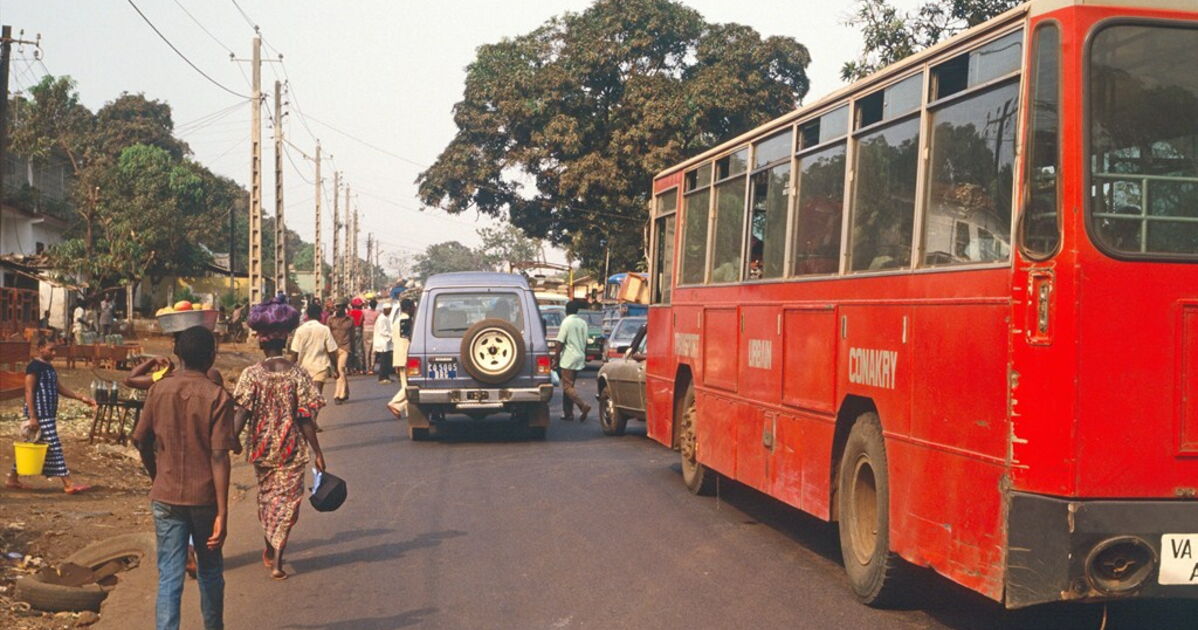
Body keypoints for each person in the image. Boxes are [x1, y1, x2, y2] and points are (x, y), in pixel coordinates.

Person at [131, 326, 235, 630]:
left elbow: (140, 440)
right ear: (211, 357)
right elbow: (219, 456)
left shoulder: (158, 389)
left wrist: (155, 473)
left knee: (169, 574)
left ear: (179, 355)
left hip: (165, 494)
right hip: (204, 498)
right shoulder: (217, 395)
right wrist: (223, 513)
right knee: (210, 570)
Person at [233, 296, 327, 580]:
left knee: (268, 500)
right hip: (291, 451)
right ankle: (276, 558)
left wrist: (231, 440)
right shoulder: (299, 374)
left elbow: (241, 411)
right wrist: (318, 451)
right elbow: (305, 417)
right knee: (287, 504)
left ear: (261, 342)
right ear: (285, 340)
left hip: (262, 451)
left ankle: (272, 550)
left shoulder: (250, 375)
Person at [6, 336, 98, 492]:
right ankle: (68, 483)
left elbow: (59, 388)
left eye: (55, 350)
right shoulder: (34, 367)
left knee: (32, 444)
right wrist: (33, 417)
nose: (54, 353)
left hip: (48, 413)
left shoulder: (48, 367)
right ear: (40, 348)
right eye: (51, 350)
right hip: (40, 414)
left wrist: (81, 398)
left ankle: (12, 478)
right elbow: (29, 391)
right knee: (54, 446)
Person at [289, 302, 339, 426]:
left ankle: (309, 422)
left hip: (303, 368)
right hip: (320, 367)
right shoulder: (324, 329)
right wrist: (336, 368)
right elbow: (331, 351)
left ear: (307, 314)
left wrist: (289, 370)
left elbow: (294, 352)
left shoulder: (300, 330)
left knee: (305, 397)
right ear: (320, 315)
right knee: (316, 396)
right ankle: (313, 420)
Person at [554, 300, 592, 422]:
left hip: (568, 358)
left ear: (566, 311)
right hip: (579, 356)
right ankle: (568, 413)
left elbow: (560, 342)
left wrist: (556, 358)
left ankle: (583, 405)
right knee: (570, 386)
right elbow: (586, 342)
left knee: (567, 387)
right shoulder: (582, 323)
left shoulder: (566, 322)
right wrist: (584, 356)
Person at [387, 299, 415, 419]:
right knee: (410, 386)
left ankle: (407, 410)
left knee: (405, 383)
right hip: (406, 355)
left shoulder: (397, 321)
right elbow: (409, 340)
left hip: (399, 355)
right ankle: (395, 403)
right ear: (409, 308)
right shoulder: (406, 321)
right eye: (413, 307)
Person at [326, 303, 353, 404]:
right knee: (339, 371)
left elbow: (352, 336)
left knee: (341, 369)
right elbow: (327, 334)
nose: (337, 308)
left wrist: (353, 352)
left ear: (344, 307)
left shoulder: (350, 320)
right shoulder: (330, 320)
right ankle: (345, 392)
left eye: (340, 306)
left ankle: (338, 395)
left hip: (345, 347)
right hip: (333, 348)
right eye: (336, 306)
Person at [373, 302, 394, 384]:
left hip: (386, 342)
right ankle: (382, 377)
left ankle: (386, 376)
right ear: (385, 310)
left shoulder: (385, 318)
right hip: (383, 342)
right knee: (383, 362)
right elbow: (383, 331)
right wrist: (392, 335)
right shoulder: (382, 319)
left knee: (387, 361)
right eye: (389, 310)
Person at [362, 298, 379, 375]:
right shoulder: (378, 313)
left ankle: (367, 368)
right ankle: (372, 367)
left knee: (367, 350)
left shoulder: (365, 312)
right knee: (373, 351)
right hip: (374, 331)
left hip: (365, 330)